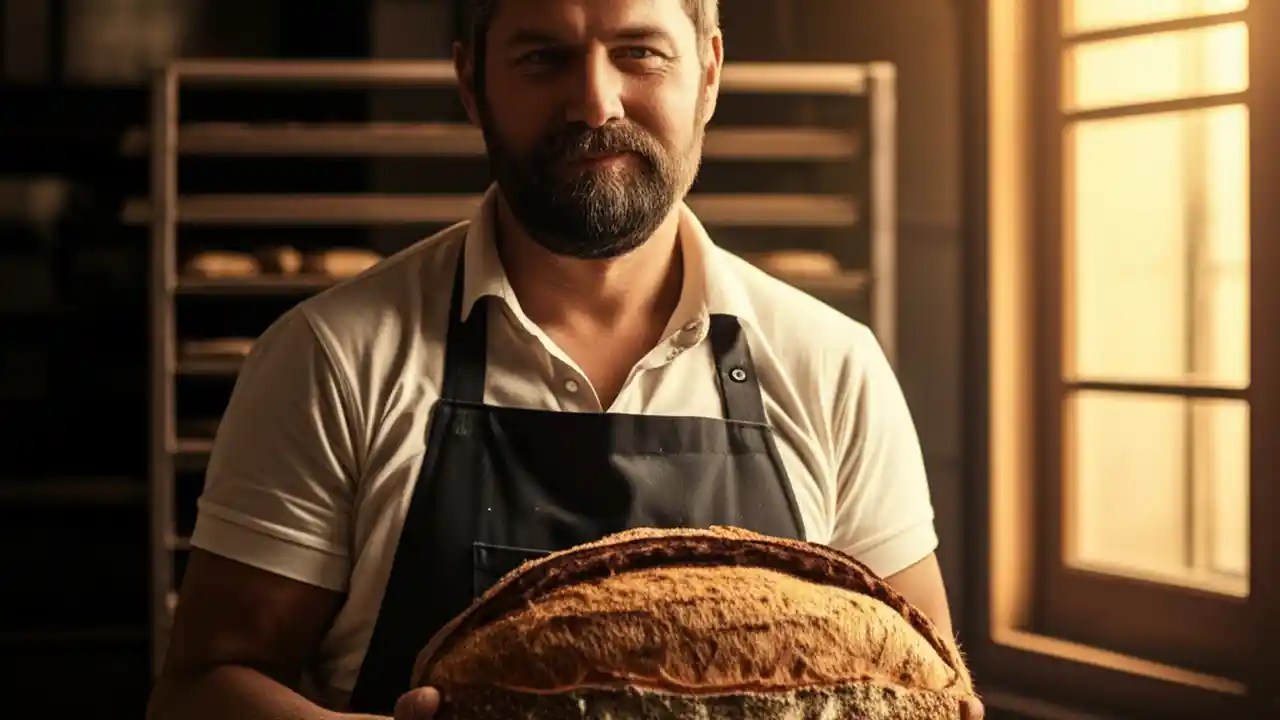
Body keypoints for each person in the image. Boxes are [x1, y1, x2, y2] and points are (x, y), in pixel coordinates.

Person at [146, 1, 982, 718]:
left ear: (710, 72)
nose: (595, 101)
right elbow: (198, 692)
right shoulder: (335, 358)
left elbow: (923, 687)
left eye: (640, 52)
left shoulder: (831, 366)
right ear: (471, 82)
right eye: (543, 56)